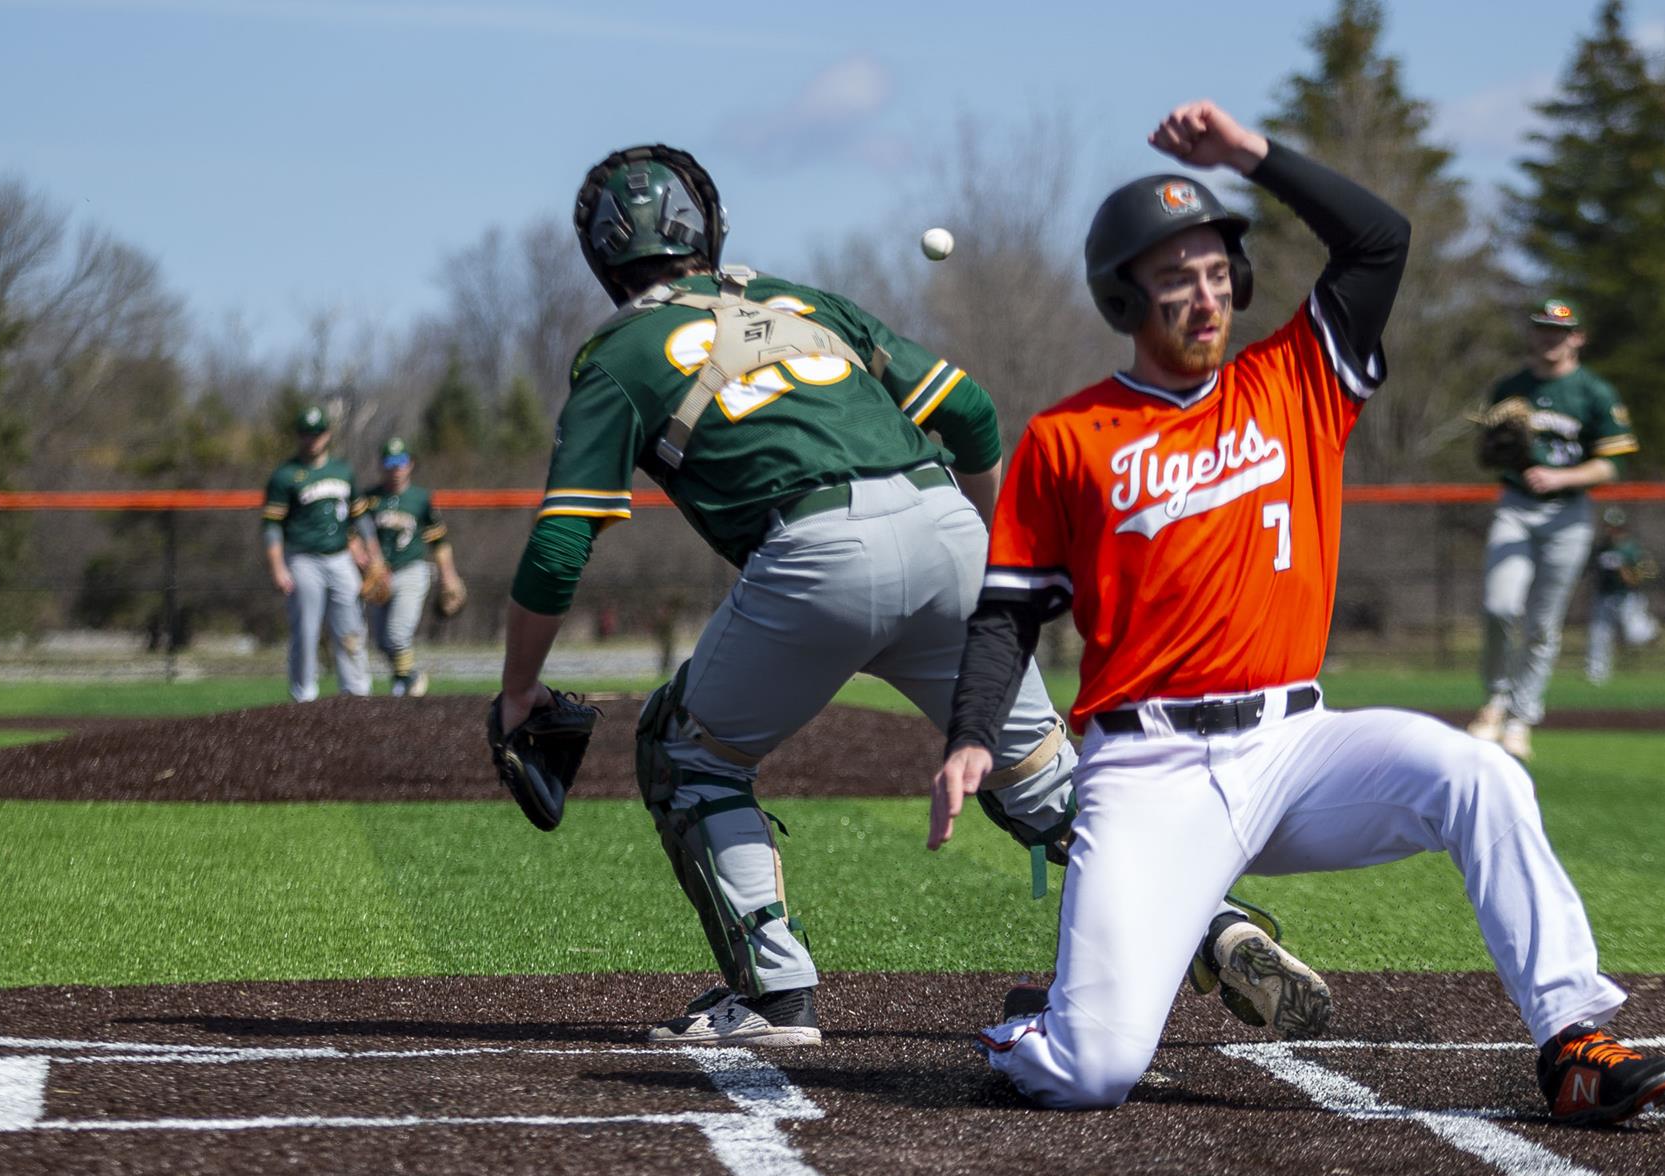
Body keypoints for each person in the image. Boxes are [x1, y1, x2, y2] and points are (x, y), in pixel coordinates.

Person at [928, 100, 1665, 1126]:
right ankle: (1042, 1026)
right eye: (1174, 278)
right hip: (1148, 771)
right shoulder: (1070, 437)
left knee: (1481, 775)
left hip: (1296, 744)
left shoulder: (1296, 379)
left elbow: (1379, 241)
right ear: (1123, 298)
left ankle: (1571, 1039)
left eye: (1216, 272)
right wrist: (972, 733)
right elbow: (1007, 611)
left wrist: (1248, 155)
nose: (1204, 296)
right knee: (1091, 1072)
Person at [494, 143, 1327, 1048]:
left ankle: (774, 997)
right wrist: (987, 556)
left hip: (813, 553)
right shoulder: (804, 303)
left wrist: (518, 690)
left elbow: (561, 543)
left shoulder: (619, 353)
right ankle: (1216, 921)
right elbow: (969, 413)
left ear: (603, 256)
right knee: (1045, 783)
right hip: (946, 527)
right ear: (709, 227)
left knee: (684, 753)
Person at [1466, 298, 1640, 761]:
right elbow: (1489, 452)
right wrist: (1495, 448)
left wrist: (1562, 477)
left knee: (1542, 624)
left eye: (1560, 331)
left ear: (1577, 337)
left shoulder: (1593, 392)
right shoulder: (1511, 388)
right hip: (1516, 508)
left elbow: (1613, 465)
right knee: (1499, 606)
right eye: (1543, 328)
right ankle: (1494, 700)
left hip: (1568, 515)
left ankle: (1521, 716)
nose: (1550, 337)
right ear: (1531, 333)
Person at [261, 405, 377, 702]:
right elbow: (272, 525)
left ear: (327, 434)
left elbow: (360, 515)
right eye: (306, 433)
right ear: (298, 436)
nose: (312, 439)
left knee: (351, 628)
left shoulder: (343, 471)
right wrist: (277, 566)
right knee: (305, 630)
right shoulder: (285, 476)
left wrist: (372, 551)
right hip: (302, 558)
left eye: (317, 433)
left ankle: (357, 692)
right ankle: (304, 696)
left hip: (340, 557)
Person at [363, 437, 465, 697]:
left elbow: (439, 542)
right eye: (390, 462)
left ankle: (403, 685)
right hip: (379, 576)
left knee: (398, 634)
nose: (396, 468)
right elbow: (355, 536)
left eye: (401, 462)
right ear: (381, 465)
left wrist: (449, 577)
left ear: (410, 464)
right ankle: (411, 676)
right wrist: (366, 564)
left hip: (411, 570)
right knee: (382, 642)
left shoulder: (420, 499)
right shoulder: (370, 499)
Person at [1584, 506, 1659, 685]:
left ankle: (1651, 630)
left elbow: (1646, 573)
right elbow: (1588, 569)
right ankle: (1596, 674)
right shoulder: (1601, 548)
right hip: (1604, 595)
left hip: (1627, 597)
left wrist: (1624, 569)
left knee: (1634, 635)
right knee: (1599, 634)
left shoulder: (1631, 548)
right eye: (1608, 526)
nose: (1610, 530)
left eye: (1614, 526)